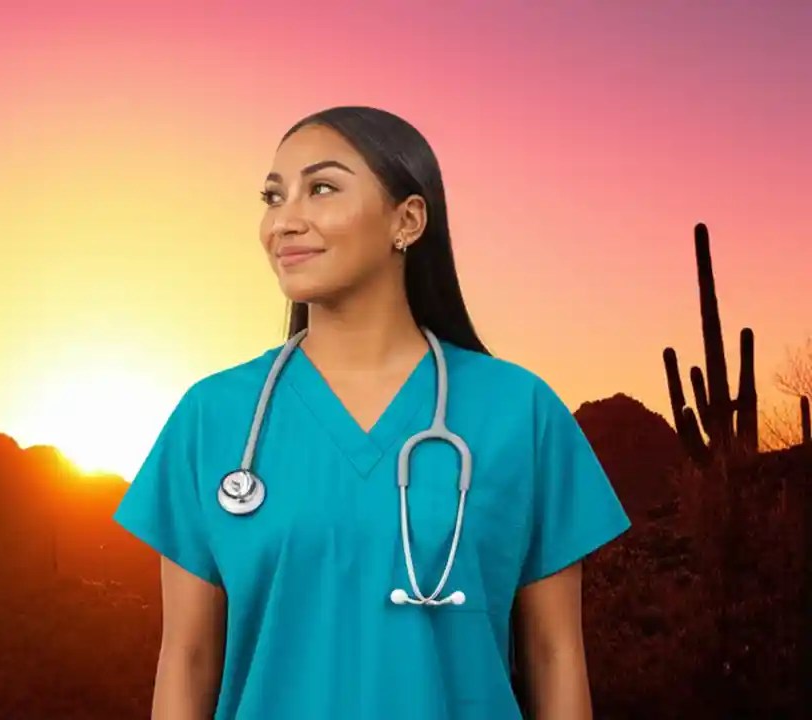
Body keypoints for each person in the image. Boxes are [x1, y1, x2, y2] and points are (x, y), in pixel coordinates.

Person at [112, 105, 631, 720]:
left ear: (407, 220)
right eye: (273, 197)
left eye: (322, 188)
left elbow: (554, 656)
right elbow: (188, 659)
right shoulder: (212, 417)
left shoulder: (519, 412)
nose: (284, 221)